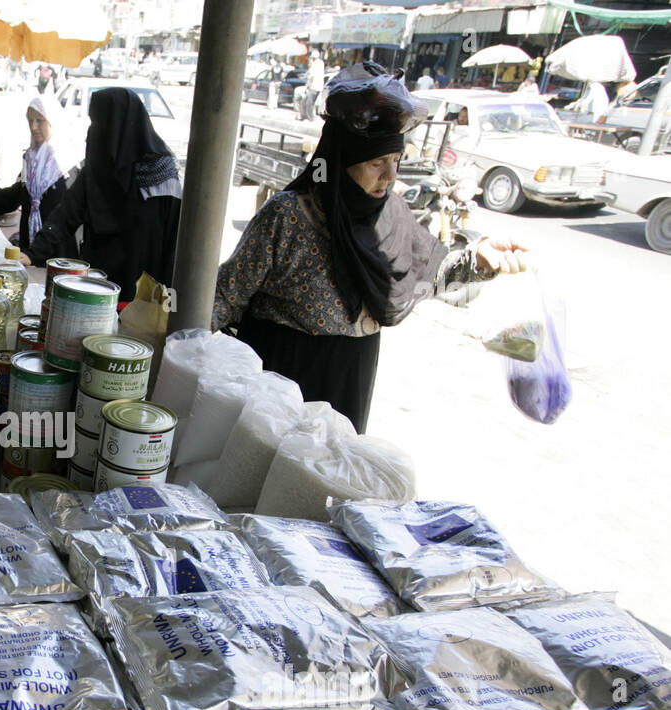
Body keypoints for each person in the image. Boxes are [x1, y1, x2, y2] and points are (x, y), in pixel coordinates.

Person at [210, 64, 528, 433]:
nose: (390, 177)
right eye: (377, 163)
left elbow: (428, 275)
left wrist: (480, 259)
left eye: (395, 161)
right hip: (282, 379)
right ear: (343, 162)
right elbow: (226, 295)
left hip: (350, 378)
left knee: (329, 478)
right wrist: (178, 347)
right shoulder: (288, 216)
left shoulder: (392, 215)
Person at [28, 88, 183, 301]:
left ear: (121, 126)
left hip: (144, 290)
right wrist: (33, 252)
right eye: (93, 122)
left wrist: (170, 299)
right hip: (99, 283)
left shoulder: (160, 175)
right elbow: (66, 213)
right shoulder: (97, 168)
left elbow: (174, 244)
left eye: (101, 123)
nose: (93, 132)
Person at [0, 97, 71, 258]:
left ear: (53, 122)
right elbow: (16, 195)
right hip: (30, 248)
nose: (34, 127)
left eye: (40, 121)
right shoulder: (31, 159)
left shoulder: (65, 165)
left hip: (55, 251)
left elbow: (66, 217)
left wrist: (36, 253)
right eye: (30, 121)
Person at [305, 51, 326, 120]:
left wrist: (309, 85)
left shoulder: (314, 64)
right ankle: (312, 116)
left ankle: (310, 117)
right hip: (319, 87)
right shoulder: (321, 63)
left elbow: (312, 76)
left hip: (313, 86)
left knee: (309, 103)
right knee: (313, 102)